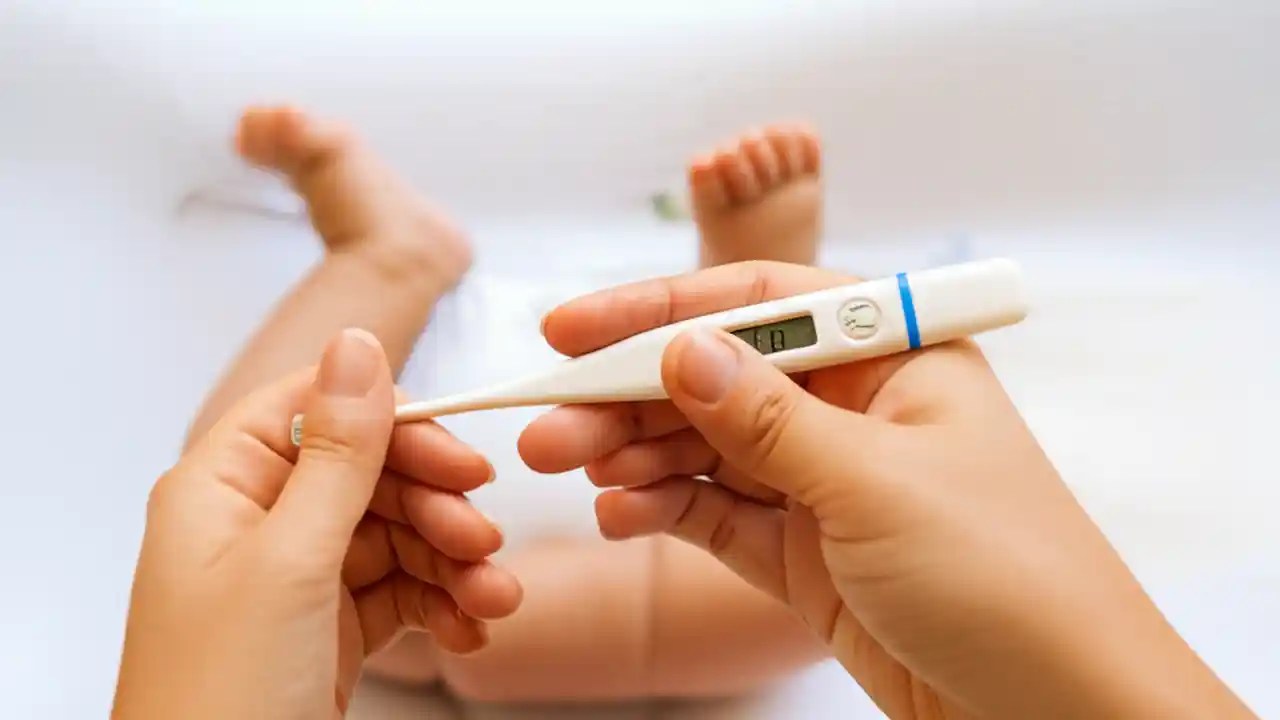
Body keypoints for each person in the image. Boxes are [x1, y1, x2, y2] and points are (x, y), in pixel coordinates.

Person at [115, 262, 1256, 719]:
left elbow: (656, 617)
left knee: (447, 627)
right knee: (235, 475)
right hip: (533, 447)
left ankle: (383, 253)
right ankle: (386, 257)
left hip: (483, 570)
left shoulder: (836, 576)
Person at [186, 105, 827, 700]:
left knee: (228, 513)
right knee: (230, 487)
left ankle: (389, 259)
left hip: (538, 544)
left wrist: (467, 633)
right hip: (598, 390)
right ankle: (753, 312)